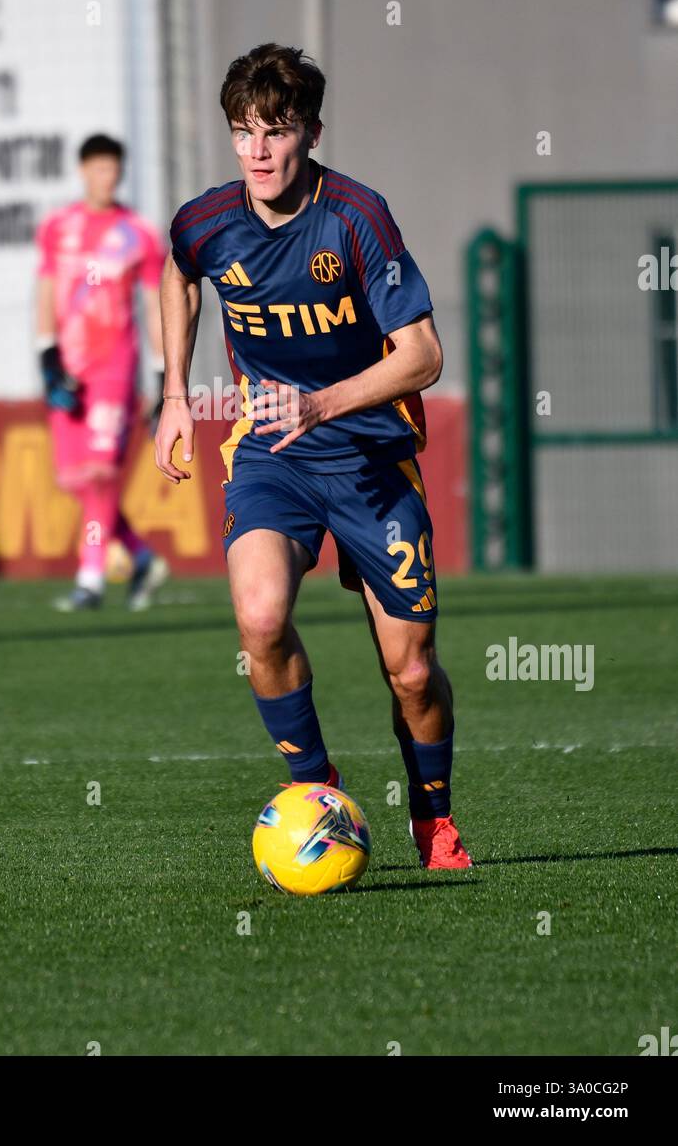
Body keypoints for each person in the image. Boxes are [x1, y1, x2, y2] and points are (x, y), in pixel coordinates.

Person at [154, 43, 471, 869]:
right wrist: (176, 396)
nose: (257, 152)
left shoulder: (357, 218)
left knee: (410, 672)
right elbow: (178, 272)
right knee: (259, 618)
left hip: (370, 461)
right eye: (242, 133)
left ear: (312, 133)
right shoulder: (207, 221)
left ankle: (433, 818)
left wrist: (324, 402)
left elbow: (424, 355)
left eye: (276, 132)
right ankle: (314, 789)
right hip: (271, 457)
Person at [36, 133, 169, 612]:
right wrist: (45, 352)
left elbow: (156, 305)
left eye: (111, 169)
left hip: (115, 365)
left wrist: (162, 373)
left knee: (99, 474)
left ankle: (90, 580)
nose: (104, 178)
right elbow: (47, 288)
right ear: (82, 171)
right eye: (96, 169)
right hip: (68, 363)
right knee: (73, 478)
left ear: (120, 173)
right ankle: (141, 557)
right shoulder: (58, 227)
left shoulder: (139, 234)